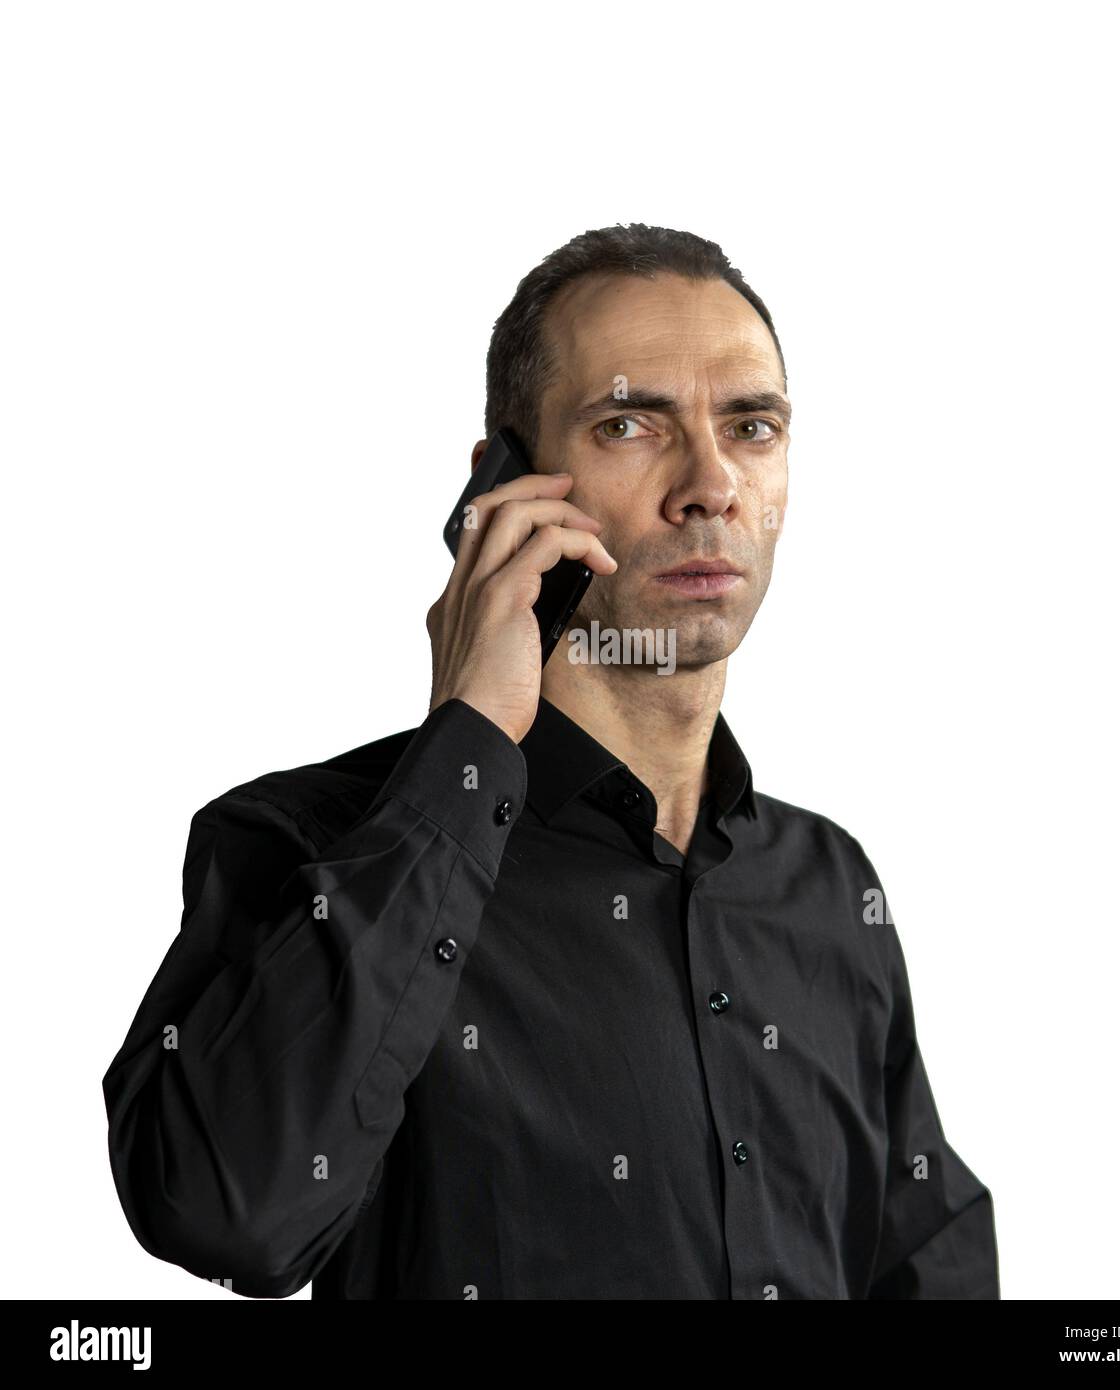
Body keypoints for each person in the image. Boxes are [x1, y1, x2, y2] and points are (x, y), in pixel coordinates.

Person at [102, 223, 1000, 1300]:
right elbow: (226, 1214)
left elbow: (932, 1267)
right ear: (507, 487)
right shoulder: (311, 845)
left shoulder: (826, 884)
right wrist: (466, 741)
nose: (709, 484)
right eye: (629, 423)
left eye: (751, 427)